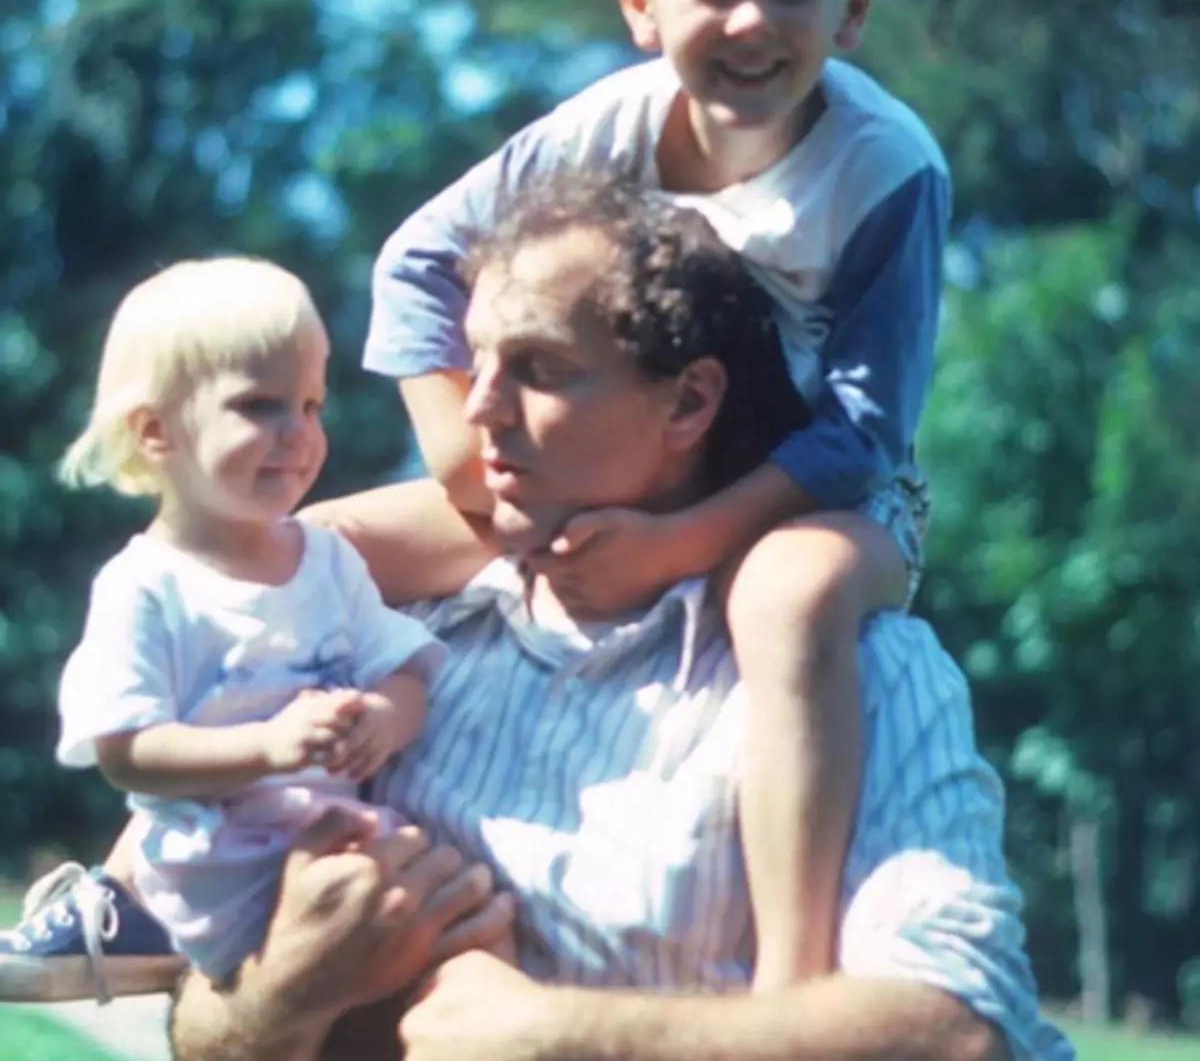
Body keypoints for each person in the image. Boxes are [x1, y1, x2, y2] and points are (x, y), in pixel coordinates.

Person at [161, 175, 1073, 1060]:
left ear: (688, 402)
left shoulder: (845, 667)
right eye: (476, 361)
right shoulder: (381, 637)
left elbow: (960, 1036)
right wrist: (284, 995)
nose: (477, 408)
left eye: (541, 370)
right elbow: (195, 1023)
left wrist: (557, 1041)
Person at [363, 0, 946, 986]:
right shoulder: (602, 129)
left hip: (818, 498)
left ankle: (792, 981)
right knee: (315, 545)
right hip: (615, 472)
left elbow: (867, 425)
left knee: (787, 599)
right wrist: (458, 453)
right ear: (639, 3)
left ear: (851, 6)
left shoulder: (887, 169)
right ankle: (153, 877)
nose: (751, 22)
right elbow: (416, 264)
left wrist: (691, 541)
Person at [0, 258, 443, 997]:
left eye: (310, 405)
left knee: (453, 910)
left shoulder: (327, 561)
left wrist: (384, 720)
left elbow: (406, 670)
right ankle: (134, 930)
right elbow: (128, 751)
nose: (296, 433)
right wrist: (264, 747)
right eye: (260, 405)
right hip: (217, 869)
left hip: (339, 837)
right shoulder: (146, 587)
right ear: (156, 433)